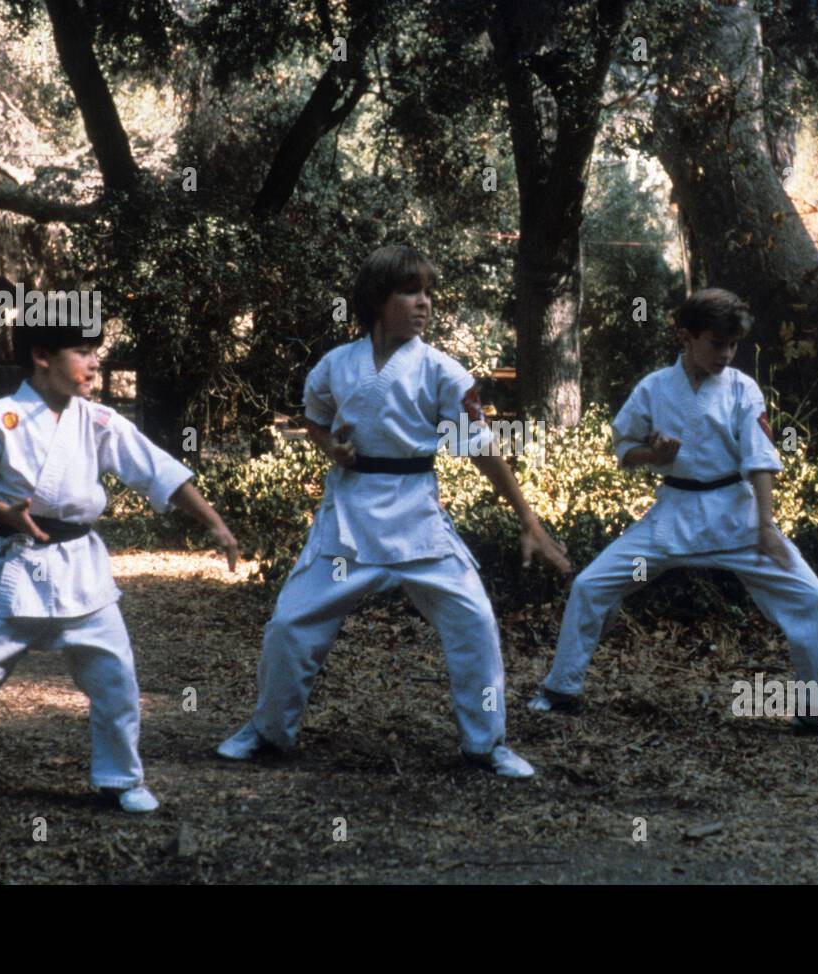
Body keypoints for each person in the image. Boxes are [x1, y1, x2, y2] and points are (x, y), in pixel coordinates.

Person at [0, 312, 239, 813]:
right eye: (83, 352)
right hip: (14, 568)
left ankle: (121, 779)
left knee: (115, 679)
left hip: (81, 571)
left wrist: (215, 524)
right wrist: (0, 510)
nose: (95, 364)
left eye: (96, 352)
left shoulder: (98, 420)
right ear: (42, 356)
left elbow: (158, 471)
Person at [217, 244, 572, 777]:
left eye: (429, 292)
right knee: (291, 624)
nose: (424, 303)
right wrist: (329, 448)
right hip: (350, 515)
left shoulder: (443, 372)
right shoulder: (337, 364)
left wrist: (529, 519)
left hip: (417, 516)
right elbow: (315, 418)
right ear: (377, 300)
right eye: (411, 291)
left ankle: (486, 743)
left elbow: (478, 448)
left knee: (474, 621)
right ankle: (268, 731)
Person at [528, 288, 818, 744]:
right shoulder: (653, 387)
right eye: (715, 343)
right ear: (686, 337)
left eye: (732, 344)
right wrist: (654, 452)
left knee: (810, 598)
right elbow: (625, 451)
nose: (725, 354)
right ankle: (561, 688)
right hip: (674, 513)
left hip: (736, 516)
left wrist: (766, 527)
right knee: (592, 585)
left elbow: (761, 460)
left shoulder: (743, 389)